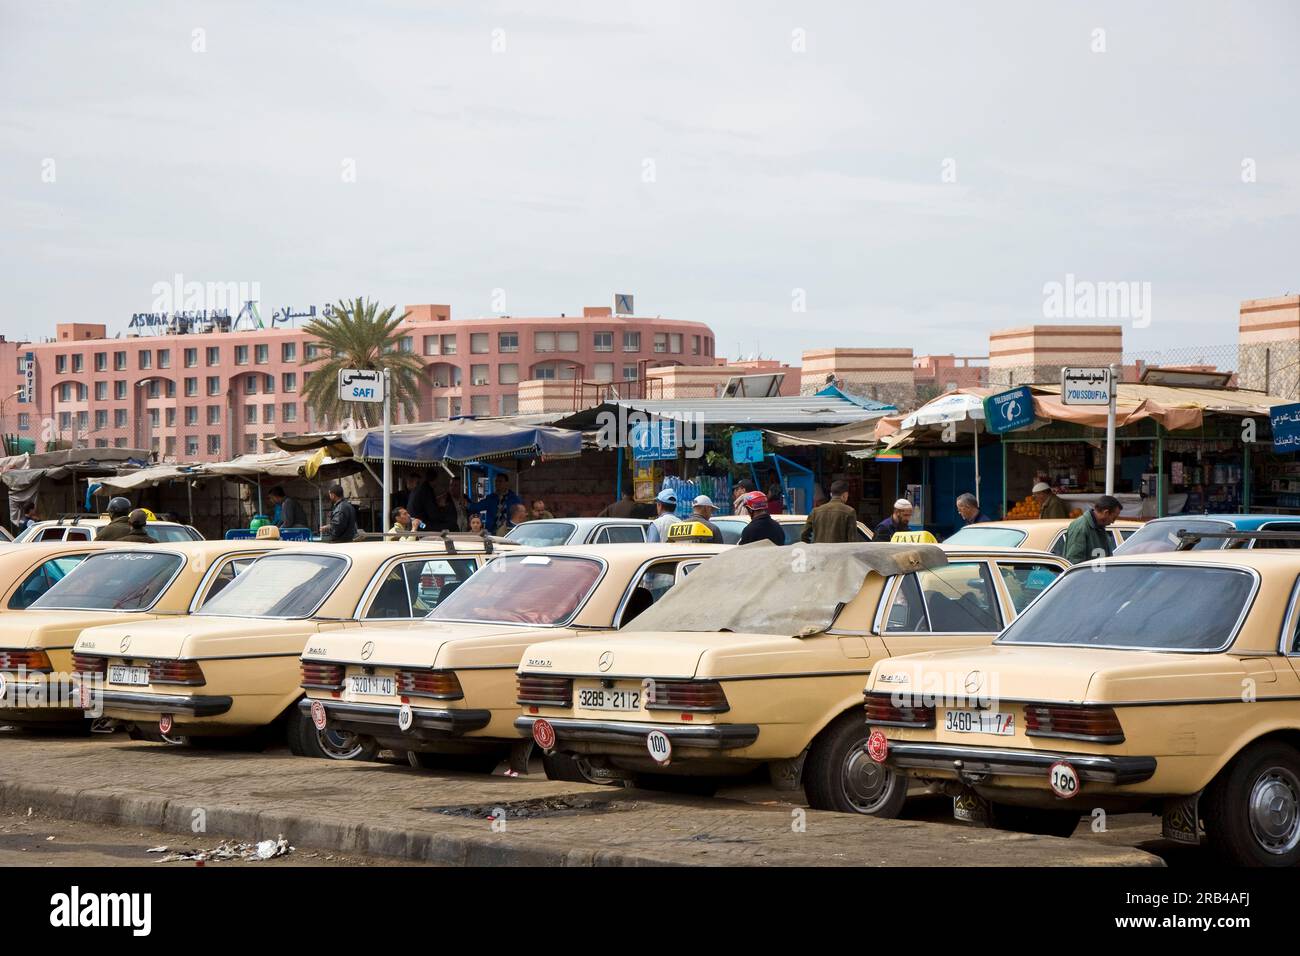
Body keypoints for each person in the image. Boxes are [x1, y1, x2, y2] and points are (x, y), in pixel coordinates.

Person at [1061, 495, 1122, 564]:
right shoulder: (1081, 527)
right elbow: (1074, 561)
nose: (1113, 522)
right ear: (1106, 513)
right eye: (1114, 518)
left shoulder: (1099, 527)